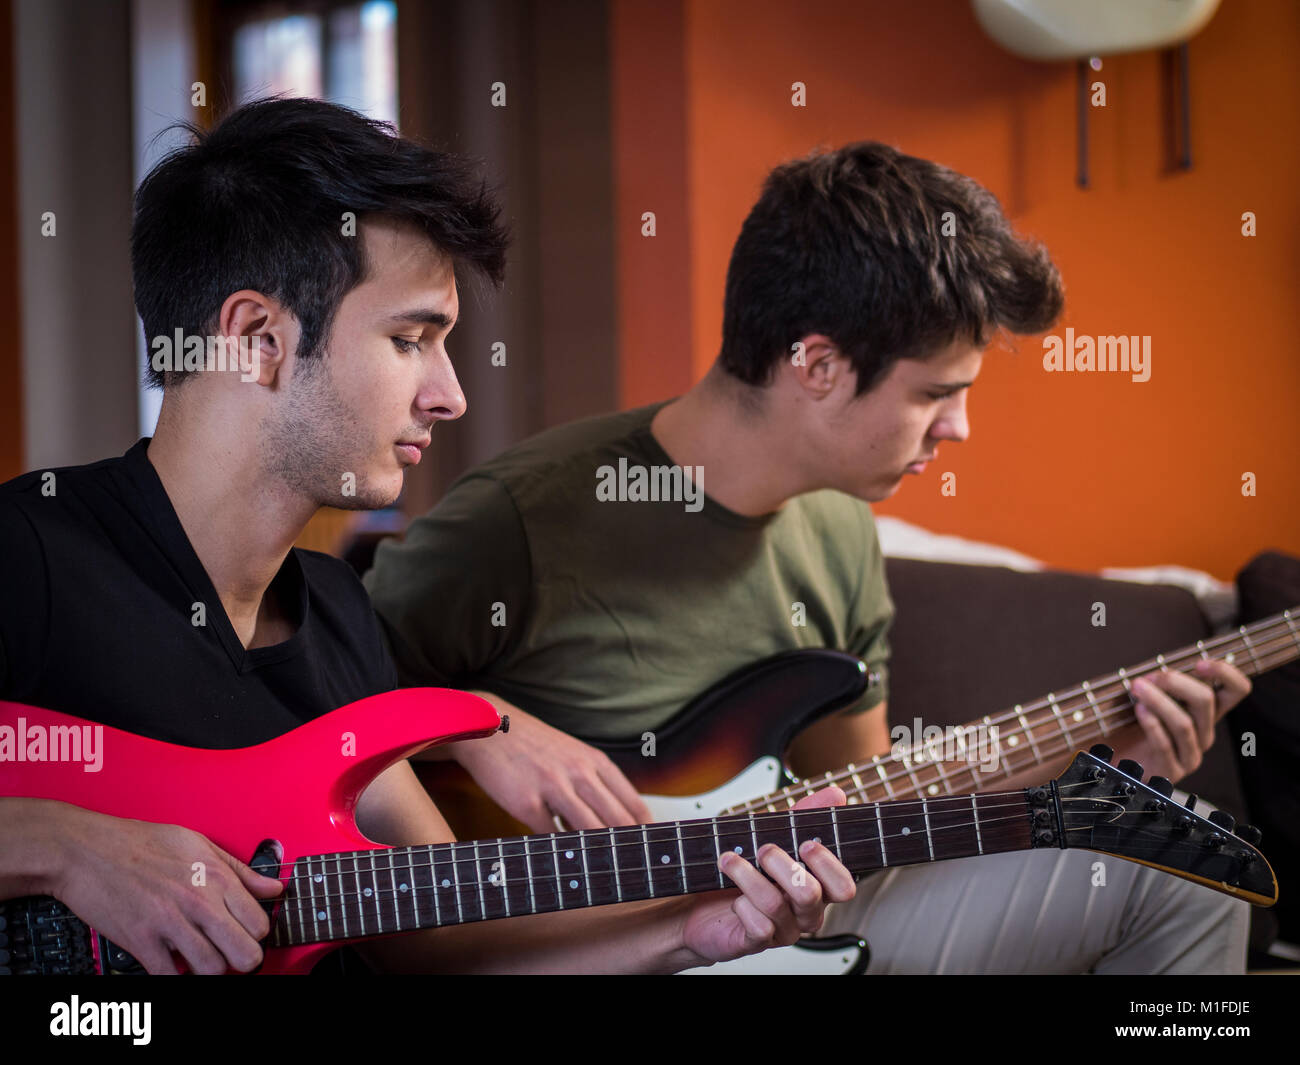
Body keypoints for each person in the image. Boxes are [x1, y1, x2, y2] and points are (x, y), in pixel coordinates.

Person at [0, 97, 856, 975]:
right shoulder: (28, 558)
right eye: (411, 338)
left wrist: (692, 929)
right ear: (256, 339)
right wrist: (67, 844)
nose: (450, 394)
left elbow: (443, 945)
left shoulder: (337, 615)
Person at [364, 140, 1254, 973]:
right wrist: (480, 720)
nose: (959, 428)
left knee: (1185, 865)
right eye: (937, 393)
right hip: (583, 934)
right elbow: (309, 709)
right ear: (819, 365)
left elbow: (864, 800)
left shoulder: (839, 528)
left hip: (784, 908)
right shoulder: (523, 516)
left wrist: (1096, 766)